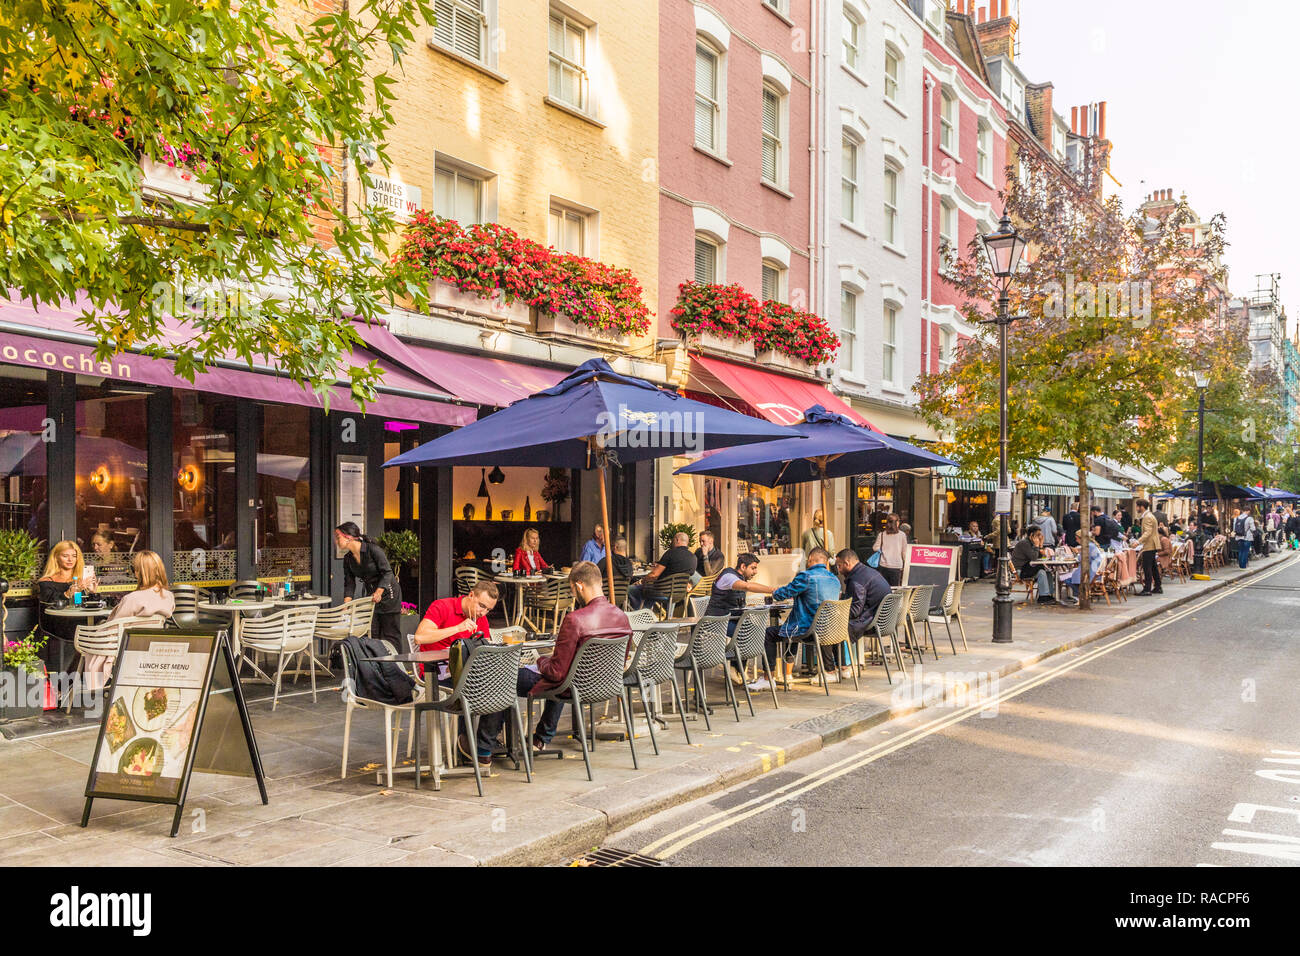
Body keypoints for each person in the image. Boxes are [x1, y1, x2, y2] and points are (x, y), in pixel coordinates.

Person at [473, 562, 631, 764]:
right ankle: (541, 738)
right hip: (604, 686)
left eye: (573, 590)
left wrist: (539, 660)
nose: (574, 596)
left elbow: (556, 672)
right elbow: (620, 660)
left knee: (503, 675)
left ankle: (484, 748)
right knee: (561, 671)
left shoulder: (575, 619)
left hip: (570, 686)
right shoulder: (622, 618)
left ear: (580, 585)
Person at [84, 550, 175, 692]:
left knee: (86, 641)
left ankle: (72, 688)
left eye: (134, 569)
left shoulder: (133, 598)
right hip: (150, 646)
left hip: (125, 646)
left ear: (139, 572)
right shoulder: (168, 596)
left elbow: (114, 626)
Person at [762, 548, 844, 684]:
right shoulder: (834, 579)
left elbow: (783, 593)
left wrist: (775, 592)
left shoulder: (806, 576)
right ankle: (829, 671)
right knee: (789, 627)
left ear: (811, 559)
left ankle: (767, 679)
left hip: (808, 629)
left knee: (770, 633)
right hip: (830, 629)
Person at [335, 521, 402, 646]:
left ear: (348, 537)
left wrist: (379, 592)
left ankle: (396, 664)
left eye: (338, 537)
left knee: (390, 634)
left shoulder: (373, 550)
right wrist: (345, 606)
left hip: (388, 593)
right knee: (373, 633)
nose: (336, 541)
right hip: (371, 595)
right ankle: (376, 663)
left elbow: (387, 572)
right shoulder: (348, 559)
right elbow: (349, 583)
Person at [836, 547, 892, 649]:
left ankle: (842, 663)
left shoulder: (856, 580)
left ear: (847, 563)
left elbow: (855, 611)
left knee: (832, 627)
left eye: (839, 566)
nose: (838, 570)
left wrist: (836, 612)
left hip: (873, 623)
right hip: (887, 621)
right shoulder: (868, 572)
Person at [628, 531, 695, 611]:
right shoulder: (693, 557)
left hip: (662, 592)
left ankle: (637, 616)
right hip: (679, 594)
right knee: (650, 591)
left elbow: (654, 575)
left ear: (677, 540)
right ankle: (646, 615)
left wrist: (643, 581)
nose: (671, 542)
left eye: (672, 539)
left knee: (630, 589)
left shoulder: (671, 553)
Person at [1012, 526, 1056, 604]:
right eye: (1038, 535)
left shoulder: (1031, 542)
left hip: (1028, 567)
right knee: (1041, 572)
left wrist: (1041, 545)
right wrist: (1036, 546)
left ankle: (1048, 595)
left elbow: (1040, 556)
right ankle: (1043, 597)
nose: (1040, 537)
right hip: (1021, 570)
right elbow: (1034, 558)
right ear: (1032, 535)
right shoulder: (1024, 543)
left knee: (1047, 571)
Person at [1060, 539, 1103, 604]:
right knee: (1071, 577)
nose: (1076, 540)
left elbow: (1081, 558)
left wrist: (1077, 552)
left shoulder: (1087, 546)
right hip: (1095, 571)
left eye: (1077, 538)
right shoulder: (1092, 545)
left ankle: (1081, 597)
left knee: (1068, 580)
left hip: (1090, 573)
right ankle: (1080, 596)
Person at [1134, 498, 1163, 595]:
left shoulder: (1147, 517)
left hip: (1149, 545)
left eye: (1137, 506)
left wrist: (1138, 542)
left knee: (1147, 567)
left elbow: (1148, 532)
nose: (1136, 508)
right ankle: (1158, 587)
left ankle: (1147, 589)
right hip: (1152, 544)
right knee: (1153, 567)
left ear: (1141, 507)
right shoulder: (1150, 515)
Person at [872, 514, 908, 587]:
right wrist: (906, 564)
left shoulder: (882, 534)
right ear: (897, 523)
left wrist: (883, 550)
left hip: (884, 565)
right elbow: (904, 552)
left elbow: (875, 548)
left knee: (884, 587)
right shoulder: (902, 535)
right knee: (895, 588)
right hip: (896, 566)